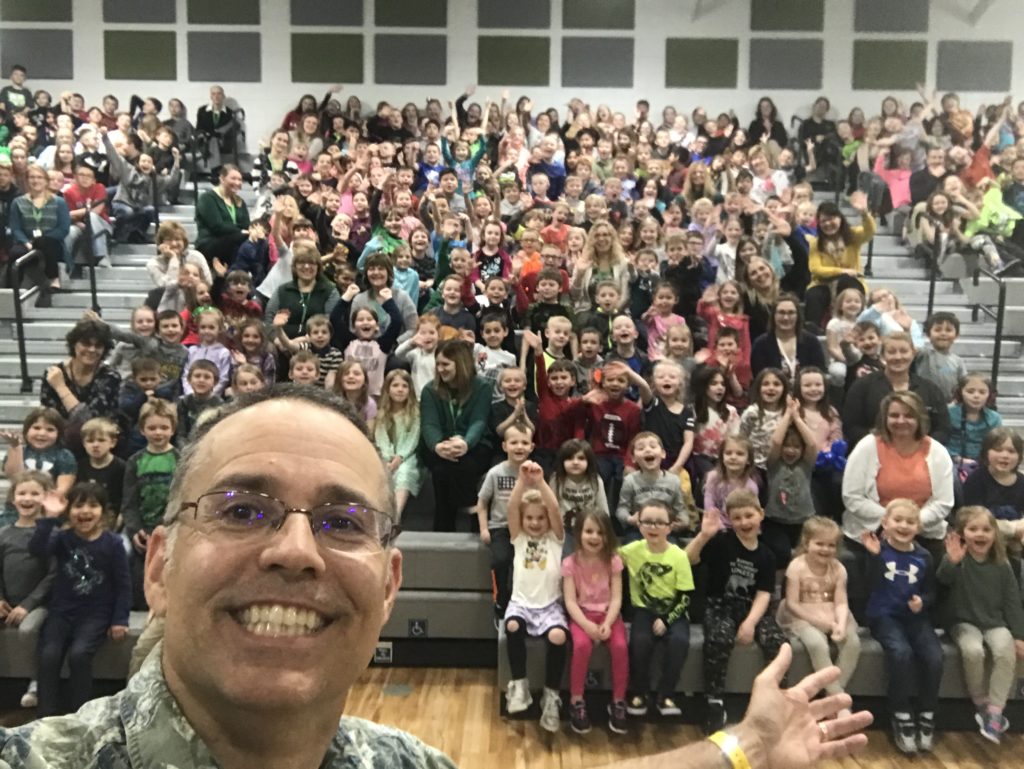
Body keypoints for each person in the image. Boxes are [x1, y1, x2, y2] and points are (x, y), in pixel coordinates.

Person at [0, 385, 872, 767]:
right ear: (156, 565)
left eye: (342, 521)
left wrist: (748, 746)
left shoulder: (391, 761)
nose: (296, 551)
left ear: (388, 585)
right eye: (242, 508)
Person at [842, 391, 954, 618]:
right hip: (874, 527)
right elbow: (852, 496)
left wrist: (911, 524)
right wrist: (892, 523)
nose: (901, 421)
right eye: (894, 415)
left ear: (919, 419)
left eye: (908, 415)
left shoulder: (937, 452)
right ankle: (870, 618)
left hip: (924, 529)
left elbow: (943, 502)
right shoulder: (868, 446)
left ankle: (930, 617)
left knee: (941, 561)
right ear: (884, 418)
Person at [30, 482, 131, 716]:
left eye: (93, 506)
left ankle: (81, 714)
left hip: (96, 614)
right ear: (69, 512)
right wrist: (50, 518)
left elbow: (123, 586)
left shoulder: (114, 544)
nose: (85, 511)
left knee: (79, 655)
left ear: (104, 512)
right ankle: (45, 715)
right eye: (78, 506)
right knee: (48, 655)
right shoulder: (63, 538)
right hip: (61, 612)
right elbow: (37, 550)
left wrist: (120, 619)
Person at [860, 499, 944, 756]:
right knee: (900, 652)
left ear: (918, 527)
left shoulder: (924, 556)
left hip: (914, 618)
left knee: (934, 656)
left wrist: (923, 602)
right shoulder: (878, 551)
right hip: (883, 616)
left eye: (910, 521)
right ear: (885, 523)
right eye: (898, 520)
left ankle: (927, 712)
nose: (904, 526)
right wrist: (874, 557)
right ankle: (901, 712)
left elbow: (931, 591)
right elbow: (866, 585)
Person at [938, 506, 1024, 744]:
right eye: (973, 529)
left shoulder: (1002, 565)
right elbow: (941, 581)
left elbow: (1012, 602)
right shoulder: (958, 560)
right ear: (962, 533)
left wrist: (1019, 636)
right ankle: (981, 704)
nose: (981, 534)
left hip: (995, 623)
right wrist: (951, 561)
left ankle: (995, 711)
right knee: (973, 650)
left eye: (986, 529)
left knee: (1005, 650)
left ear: (995, 534)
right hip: (963, 623)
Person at [502, 460, 567, 733]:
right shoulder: (518, 538)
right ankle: (520, 686)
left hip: (549, 605)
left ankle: (551, 696)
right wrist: (521, 480)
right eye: (530, 518)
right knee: (513, 626)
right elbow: (511, 509)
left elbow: (553, 508)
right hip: (522, 604)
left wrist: (540, 482)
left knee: (558, 637)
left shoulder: (555, 539)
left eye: (540, 518)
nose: (535, 522)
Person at [562, 510, 628, 734]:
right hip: (582, 616)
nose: (594, 537)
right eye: (589, 531)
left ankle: (618, 701)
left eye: (600, 532)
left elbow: (618, 597)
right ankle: (576, 701)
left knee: (620, 647)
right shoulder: (570, 563)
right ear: (579, 534)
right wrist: (587, 626)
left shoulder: (614, 561)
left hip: (609, 615)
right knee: (581, 646)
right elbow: (570, 601)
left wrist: (608, 623)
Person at [420, 339, 493, 532]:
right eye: (438, 364)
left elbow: (479, 420)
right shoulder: (430, 390)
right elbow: (429, 424)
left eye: (445, 364)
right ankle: (444, 526)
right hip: (441, 445)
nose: (440, 369)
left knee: (467, 465)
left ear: (460, 364)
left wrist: (465, 443)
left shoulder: (482, 387)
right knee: (441, 469)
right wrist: (438, 445)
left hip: (474, 443)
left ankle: (475, 523)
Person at [842, 332, 951, 449]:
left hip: (920, 455)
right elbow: (851, 427)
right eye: (891, 352)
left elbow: (942, 429)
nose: (898, 357)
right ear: (883, 356)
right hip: (875, 454)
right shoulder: (862, 386)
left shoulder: (930, 389)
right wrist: (882, 445)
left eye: (904, 351)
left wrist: (919, 446)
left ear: (913, 353)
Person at [40, 318, 122, 454]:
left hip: (98, 445)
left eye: (98, 346)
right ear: (74, 345)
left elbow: (89, 422)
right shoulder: (53, 374)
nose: (92, 349)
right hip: (60, 445)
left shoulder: (110, 377)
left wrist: (61, 388)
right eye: (86, 343)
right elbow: (51, 418)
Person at [6, 163, 70, 306]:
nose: (36, 181)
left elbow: (63, 228)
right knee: (15, 253)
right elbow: (15, 227)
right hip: (26, 243)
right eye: (32, 177)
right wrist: (26, 242)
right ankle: (12, 291)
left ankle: (54, 280)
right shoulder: (18, 202)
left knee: (44, 242)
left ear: (46, 181)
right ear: (27, 180)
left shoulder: (59, 202)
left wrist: (40, 240)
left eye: (40, 177)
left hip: (52, 243)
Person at [749, 295, 825, 380]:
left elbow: (819, 373)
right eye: (781, 312)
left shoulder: (811, 342)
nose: (786, 318)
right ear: (773, 315)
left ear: (798, 316)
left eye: (791, 313)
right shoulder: (761, 344)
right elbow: (760, 378)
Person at [195, 164, 250, 275]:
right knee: (241, 238)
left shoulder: (239, 201)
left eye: (240, 179)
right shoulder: (207, 198)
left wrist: (242, 232)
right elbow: (217, 226)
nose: (237, 183)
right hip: (210, 242)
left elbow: (246, 224)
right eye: (233, 178)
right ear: (222, 178)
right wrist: (239, 231)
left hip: (233, 241)